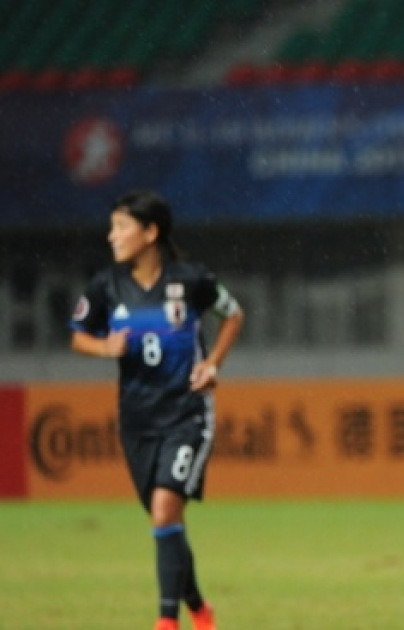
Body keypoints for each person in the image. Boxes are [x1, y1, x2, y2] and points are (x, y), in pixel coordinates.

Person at [70, 190, 244, 630]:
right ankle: (201, 611)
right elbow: (78, 335)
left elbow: (234, 314)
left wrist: (211, 364)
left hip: (187, 412)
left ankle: (166, 621)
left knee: (166, 509)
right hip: (136, 420)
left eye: (121, 227)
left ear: (150, 232)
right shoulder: (106, 286)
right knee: (166, 522)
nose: (112, 236)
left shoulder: (191, 280)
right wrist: (104, 346)